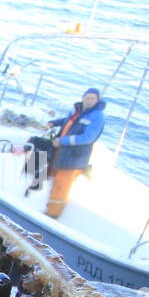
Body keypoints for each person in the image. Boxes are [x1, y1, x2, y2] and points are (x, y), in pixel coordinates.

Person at [43, 88, 107, 218]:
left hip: (74, 157)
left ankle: (52, 214)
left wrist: (62, 141)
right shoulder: (78, 109)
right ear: (83, 98)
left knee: (61, 186)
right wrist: (53, 123)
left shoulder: (97, 116)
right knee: (46, 172)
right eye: (87, 98)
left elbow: (88, 137)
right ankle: (36, 200)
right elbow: (67, 121)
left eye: (92, 99)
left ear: (97, 100)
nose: (89, 101)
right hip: (61, 151)